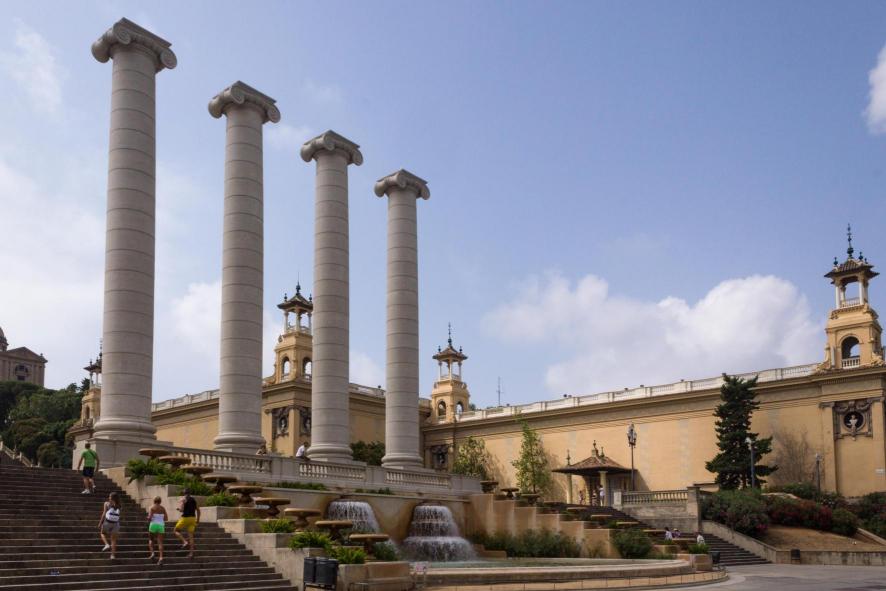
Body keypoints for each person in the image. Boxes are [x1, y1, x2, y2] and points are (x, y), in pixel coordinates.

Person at [173, 488, 200, 559]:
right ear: (190, 493)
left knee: (175, 530)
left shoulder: (183, 499)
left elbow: (181, 510)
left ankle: (185, 542)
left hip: (185, 518)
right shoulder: (194, 500)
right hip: (193, 518)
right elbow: (198, 510)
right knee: (191, 536)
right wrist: (198, 520)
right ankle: (191, 553)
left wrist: (178, 509)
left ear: (184, 493)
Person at [99, 491, 121, 559]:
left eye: (109, 496)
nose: (109, 497)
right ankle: (112, 555)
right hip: (116, 523)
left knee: (102, 533)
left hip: (107, 522)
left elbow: (104, 514)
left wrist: (100, 522)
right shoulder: (119, 505)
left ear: (111, 498)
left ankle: (106, 544)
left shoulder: (107, 503)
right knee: (113, 540)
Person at [147, 496, 169, 564]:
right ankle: (161, 557)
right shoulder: (163, 508)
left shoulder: (152, 507)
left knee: (151, 539)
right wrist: (160, 518)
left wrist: (148, 518)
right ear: (160, 501)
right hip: (161, 525)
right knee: (160, 542)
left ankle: (152, 553)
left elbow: (150, 518)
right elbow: (166, 519)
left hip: (153, 524)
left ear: (154, 501)